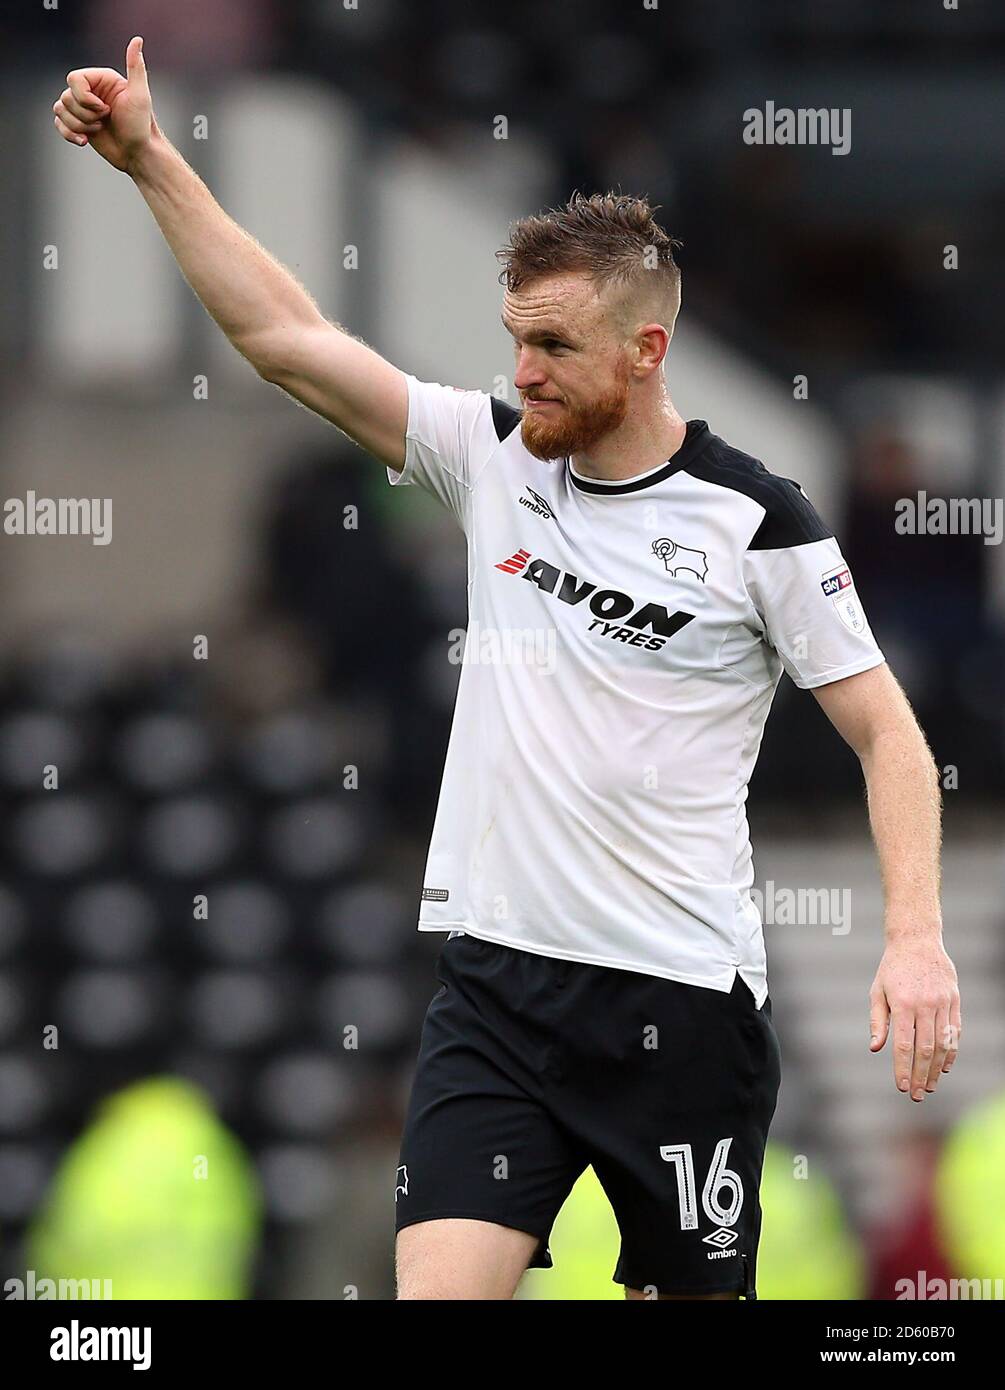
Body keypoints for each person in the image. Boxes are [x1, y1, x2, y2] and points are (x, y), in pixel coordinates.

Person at [51, 37, 962, 1301]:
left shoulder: (758, 522)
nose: (521, 370)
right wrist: (151, 160)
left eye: (554, 346)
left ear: (647, 352)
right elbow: (286, 338)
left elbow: (890, 735)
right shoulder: (490, 457)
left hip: (679, 1003)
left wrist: (913, 938)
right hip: (497, 990)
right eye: (513, 339)